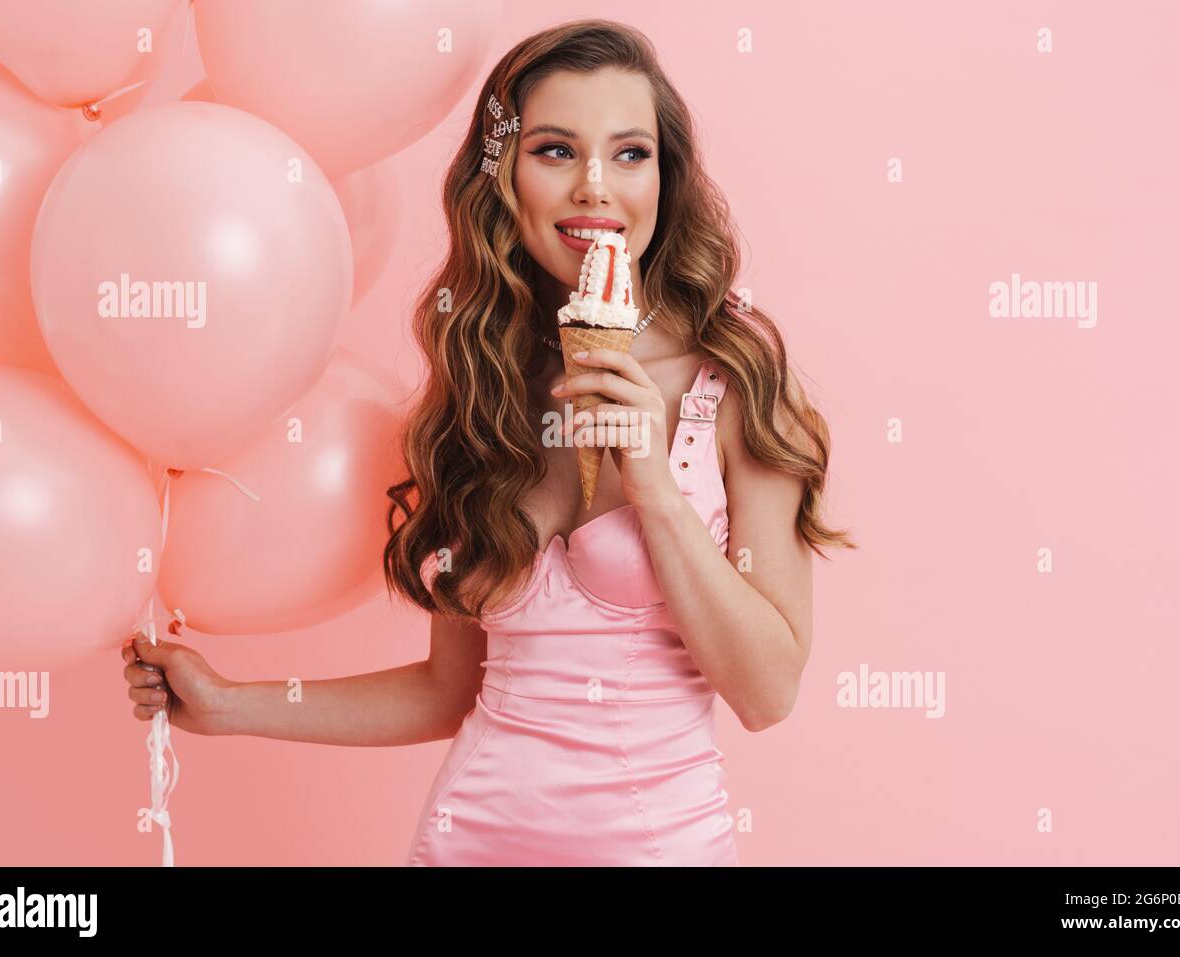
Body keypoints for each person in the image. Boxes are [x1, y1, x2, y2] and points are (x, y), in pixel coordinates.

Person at [120, 18, 854, 866]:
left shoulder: (736, 379)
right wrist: (227, 702)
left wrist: (653, 486)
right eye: (553, 151)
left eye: (629, 153)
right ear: (502, 179)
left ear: (667, 176)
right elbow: (447, 691)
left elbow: (767, 692)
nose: (595, 188)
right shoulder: (483, 385)